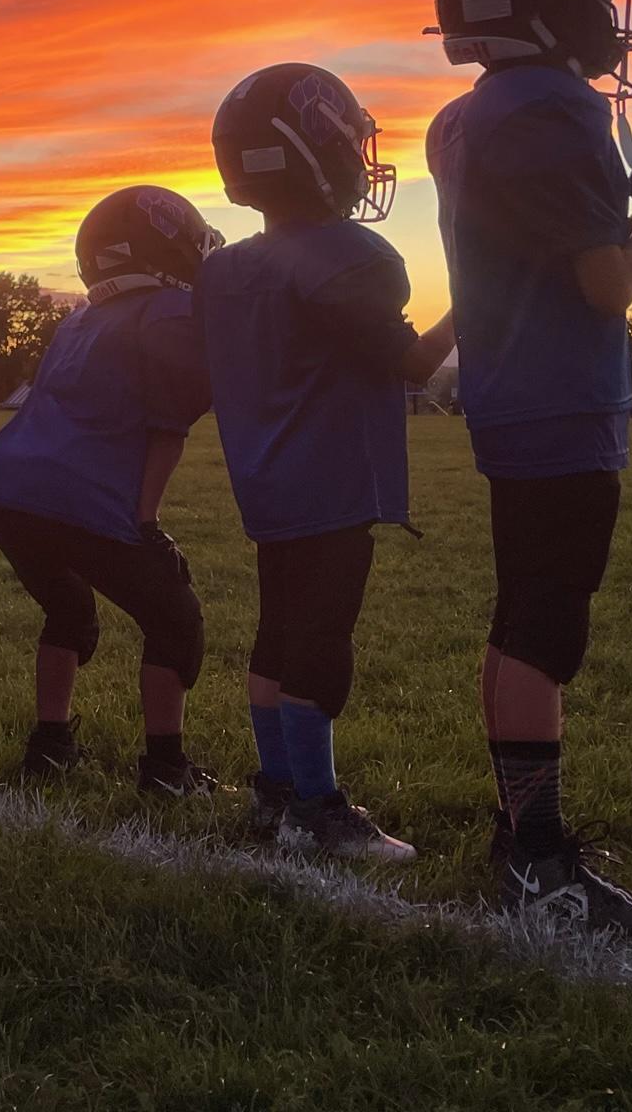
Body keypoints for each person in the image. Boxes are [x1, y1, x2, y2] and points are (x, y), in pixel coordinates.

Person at [426, 0, 632, 933]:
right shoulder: (554, 108)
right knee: (547, 621)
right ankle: (538, 859)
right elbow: (602, 284)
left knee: (528, 612)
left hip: (512, 392)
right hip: (559, 395)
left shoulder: (464, 117)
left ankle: (524, 836)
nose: (609, 10)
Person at [198, 62, 454, 862]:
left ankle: (276, 793)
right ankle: (317, 806)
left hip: (268, 478)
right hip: (330, 477)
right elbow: (409, 365)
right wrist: (475, 302)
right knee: (318, 644)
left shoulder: (225, 267)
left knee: (278, 635)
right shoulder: (348, 254)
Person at [0, 185, 219, 794]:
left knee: (69, 608)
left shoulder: (80, 318)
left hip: (7, 487)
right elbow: (166, 431)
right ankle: (166, 768)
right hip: (78, 494)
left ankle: (49, 745)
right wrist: (145, 524)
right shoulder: (171, 313)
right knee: (175, 621)